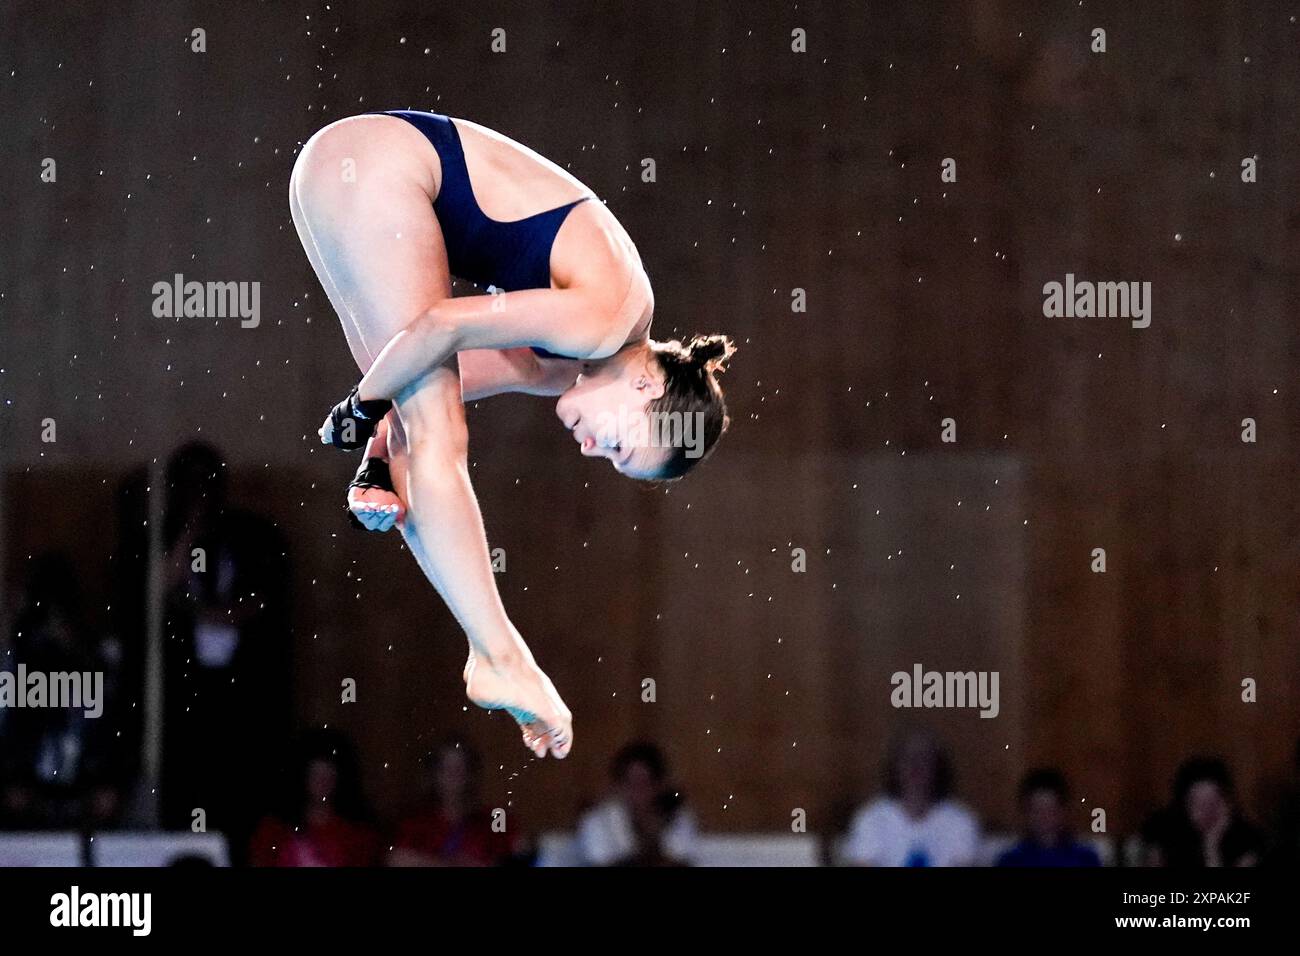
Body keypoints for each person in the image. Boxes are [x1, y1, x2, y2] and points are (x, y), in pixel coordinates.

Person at [290, 109, 735, 759]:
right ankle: (502, 656)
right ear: (648, 390)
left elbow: (430, 374)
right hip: (379, 167)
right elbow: (443, 325)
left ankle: (493, 652)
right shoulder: (604, 320)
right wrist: (363, 405)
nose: (589, 450)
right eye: (616, 444)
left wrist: (378, 454)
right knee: (440, 438)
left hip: (340, 173)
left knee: (427, 434)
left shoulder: (568, 361)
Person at [842, 728, 980, 867]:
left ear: (938, 766)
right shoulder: (871, 818)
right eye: (907, 758)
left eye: (924, 758)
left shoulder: (960, 820)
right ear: (894, 766)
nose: (915, 765)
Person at [249, 729, 381, 867]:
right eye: (315, 774)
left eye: (328, 775)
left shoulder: (359, 834)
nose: (322, 782)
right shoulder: (274, 829)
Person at [387, 741, 521, 867]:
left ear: (470, 775)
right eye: (446, 769)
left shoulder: (496, 816)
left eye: (459, 769)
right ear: (434, 775)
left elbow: (515, 852)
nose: (452, 777)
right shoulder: (415, 820)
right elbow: (396, 858)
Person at [576, 742, 698, 866]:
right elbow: (600, 861)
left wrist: (654, 833)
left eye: (644, 782)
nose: (638, 791)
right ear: (617, 786)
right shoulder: (596, 821)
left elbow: (680, 859)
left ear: (659, 786)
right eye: (630, 783)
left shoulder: (678, 817)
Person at [1140, 756, 1264, 867]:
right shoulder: (1163, 831)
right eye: (1199, 804)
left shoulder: (1248, 839)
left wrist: (1211, 847)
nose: (1208, 811)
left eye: (1215, 802)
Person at [996, 769, 1101, 867]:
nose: (1043, 817)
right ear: (1025, 813)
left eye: (1050, 810)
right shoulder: (1010, 861)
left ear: (1063, 812)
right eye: (1037, 811)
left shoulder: (1085, 859)